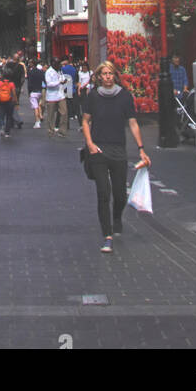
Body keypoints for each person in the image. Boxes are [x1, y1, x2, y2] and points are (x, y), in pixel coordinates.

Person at [82, 60, 150, 253]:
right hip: (98, 150)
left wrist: (141, 148)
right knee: (104, 193)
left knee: (119, 194)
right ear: (98, 76)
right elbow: (86, 121)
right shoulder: (93, 97)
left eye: (110, 73)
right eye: (104, 74)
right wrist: (90, 144)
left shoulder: (125, 97)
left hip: (118, 150)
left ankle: (117, 216)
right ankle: (107, 235)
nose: (107, 77)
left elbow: (133, 123)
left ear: (115, 75)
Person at [45, 57, 68, 137]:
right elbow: (49, 84)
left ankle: (62, 131)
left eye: (59, 63)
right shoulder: (48, 72)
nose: (58, 65)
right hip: (51, 96)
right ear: (52, 63)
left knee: (64, 112)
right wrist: (59, 82)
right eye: (57, 63)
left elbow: (63, 79)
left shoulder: (60, 71)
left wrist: (64, 80)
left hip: (60, 95)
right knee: (51, 114)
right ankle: (50, 130)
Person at [27, 61, 45, 127]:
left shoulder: (30, 72)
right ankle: (41, 115)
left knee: (35, 107)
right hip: (40, 90)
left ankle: (37, 121)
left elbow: (29, 83)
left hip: (33, 91)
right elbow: (44, 80)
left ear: (32, 64)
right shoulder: (41, 72)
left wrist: (29, 92)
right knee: (38, 105)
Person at [77, 61, 92, 127]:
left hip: (88, 89)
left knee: (88, 105)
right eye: (83, 68)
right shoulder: (80, 73)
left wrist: (86, 85)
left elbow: (91, 80)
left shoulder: (90, 73)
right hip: (82, 89)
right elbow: (80, 82)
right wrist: (79, 90)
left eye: (85, 68)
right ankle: (83, 122)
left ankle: (89, 120)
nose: (84, 69)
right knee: (82, 106)